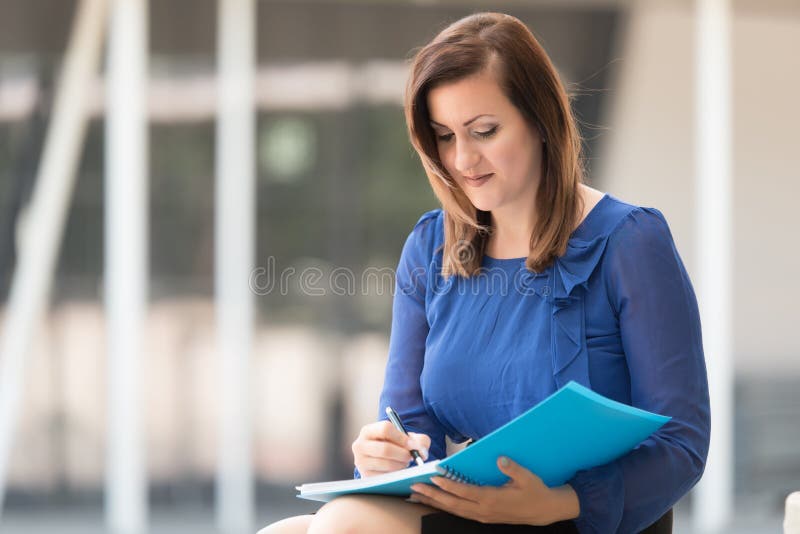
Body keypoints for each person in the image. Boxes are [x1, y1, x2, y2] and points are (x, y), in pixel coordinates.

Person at [260, 11, 709, 534]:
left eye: (485, 131)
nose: (463, 159)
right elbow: (411, 428)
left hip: (580, 516)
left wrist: (561, 502)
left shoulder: (630, 242)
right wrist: (385, 455)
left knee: (342, 526)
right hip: (473, 507)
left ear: (541, 120)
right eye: (444, 136)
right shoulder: (431, 247)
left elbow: (682, 444)